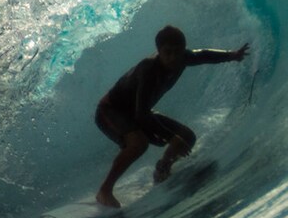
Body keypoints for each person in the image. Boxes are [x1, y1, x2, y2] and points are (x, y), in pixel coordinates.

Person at [94, 25, 249, 208]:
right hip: (110, 111)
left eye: (178, 52)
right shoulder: (148, 69)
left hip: (137, 112)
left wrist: (231, 55)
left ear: (183, 50)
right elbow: (142, 115)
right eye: (167, 53)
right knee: (139, 143)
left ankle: (162, 169)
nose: (173, 57)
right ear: (159, 51)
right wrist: (170, 137)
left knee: (187, 137)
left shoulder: (184, 59)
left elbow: (204, 55)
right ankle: (104, 191)